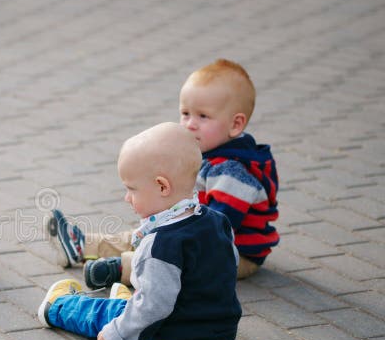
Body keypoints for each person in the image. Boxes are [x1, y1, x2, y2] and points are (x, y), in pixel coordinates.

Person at [50, 58, 278, 286]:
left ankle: (120, 269)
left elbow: (218, 229)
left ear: (235, 125)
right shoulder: (209, 152)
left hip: (231, 253)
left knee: (165, 257)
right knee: (141, 234)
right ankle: (82, 245)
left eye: (203, 116)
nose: (190, 124)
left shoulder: (234, 172)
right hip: (196, 233)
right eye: (185, 113)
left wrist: (172, 235)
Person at [39, 122, 242, 340]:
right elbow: (227, 269)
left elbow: (154, 306)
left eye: (131, 189)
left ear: (162, 186)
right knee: (142, 301)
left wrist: (117, 334)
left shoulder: (160, 244)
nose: (127, 198)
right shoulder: (217, 221)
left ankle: (57, 307)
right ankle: (129, 303)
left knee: (102, 313)